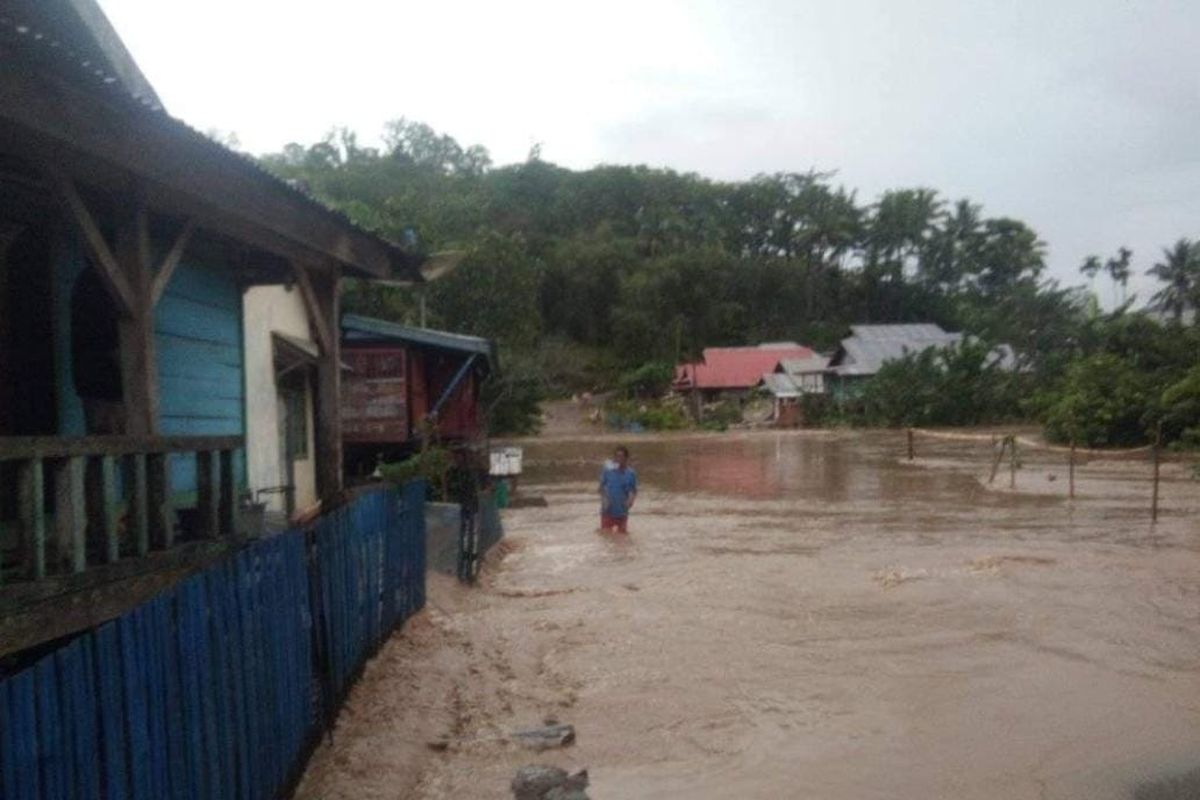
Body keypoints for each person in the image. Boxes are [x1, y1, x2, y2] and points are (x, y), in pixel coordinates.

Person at [599, 445, 638, 533]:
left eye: (621, 456)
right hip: (608, 510)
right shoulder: (608, 471)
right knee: (606, 536)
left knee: (622, 539)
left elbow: (633, 490)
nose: (618, 459)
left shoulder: (631, 474)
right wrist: (605, 499)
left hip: (622, 511)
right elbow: (601, 487)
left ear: (626, 458)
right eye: (616, 456)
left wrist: (630, 500)